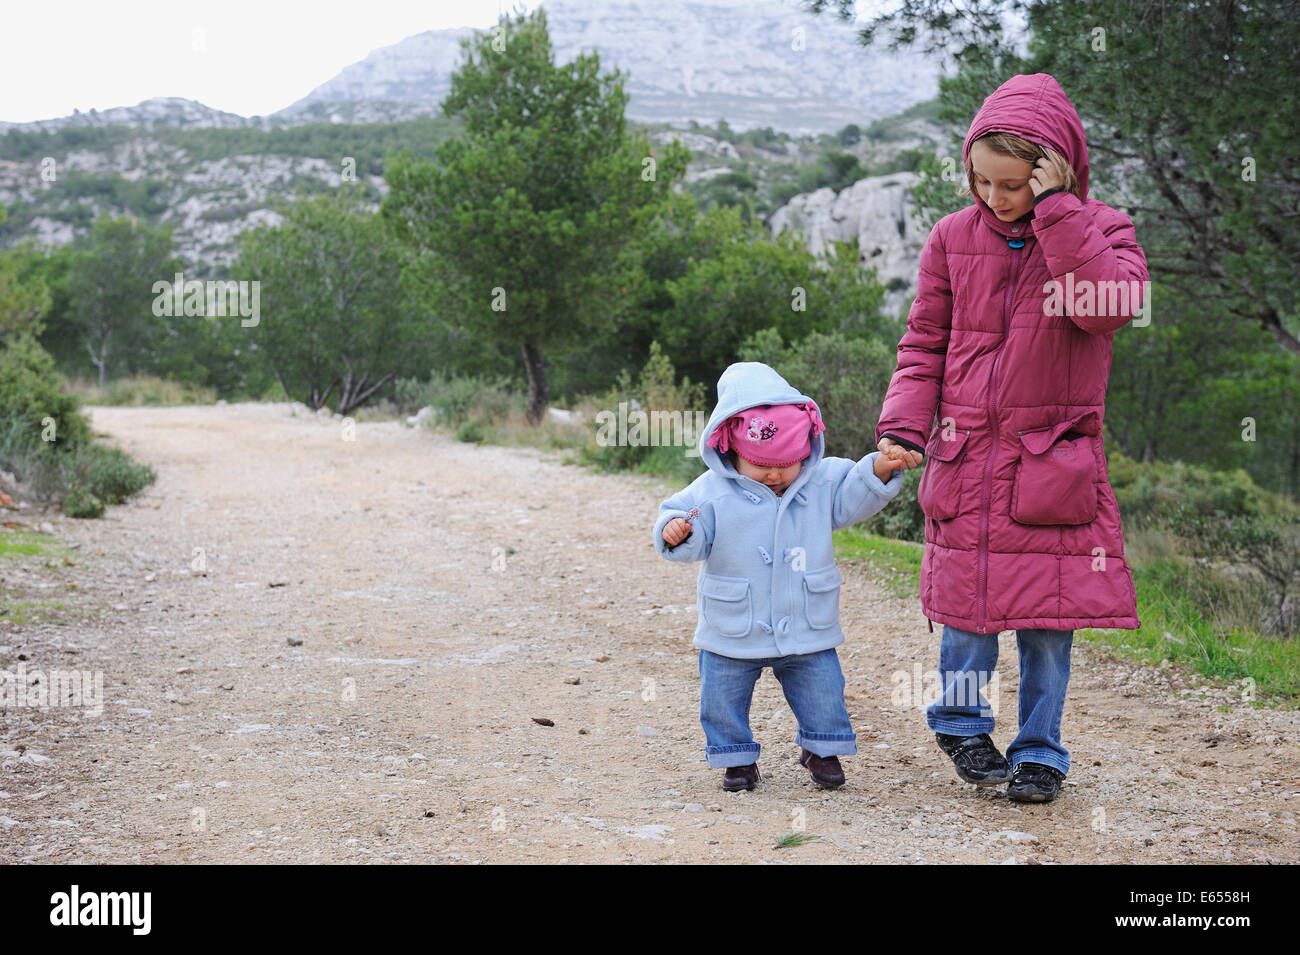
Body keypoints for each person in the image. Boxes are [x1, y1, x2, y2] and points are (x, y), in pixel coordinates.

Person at [875, 73, 1149, 803]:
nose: (995, 198)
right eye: (981, 180)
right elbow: (922, 342)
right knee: (967, 611)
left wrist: (1059, 215)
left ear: (1056, 168)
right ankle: (962, 723)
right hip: (967, 462)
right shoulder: (951, 238)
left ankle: (1040, 750)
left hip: (1051, 467)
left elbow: (1110, 308)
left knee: (1049, 624)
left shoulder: (1105, 230)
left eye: (1014, 184)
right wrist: (904, 426)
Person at [654, 361, 905, 791]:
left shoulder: (821, 480)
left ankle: (822, 748)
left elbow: (853, 495)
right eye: (762, 465)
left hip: (805, 619)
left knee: (824, 691)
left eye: (787, 464)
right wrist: (676, 532)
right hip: (734, 623)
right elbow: (681, 520)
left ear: (806, 448)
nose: (775, 475)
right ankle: (736, 758)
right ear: (730, 449)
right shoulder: (711, 489)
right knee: (721, 697)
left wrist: (879, 470)